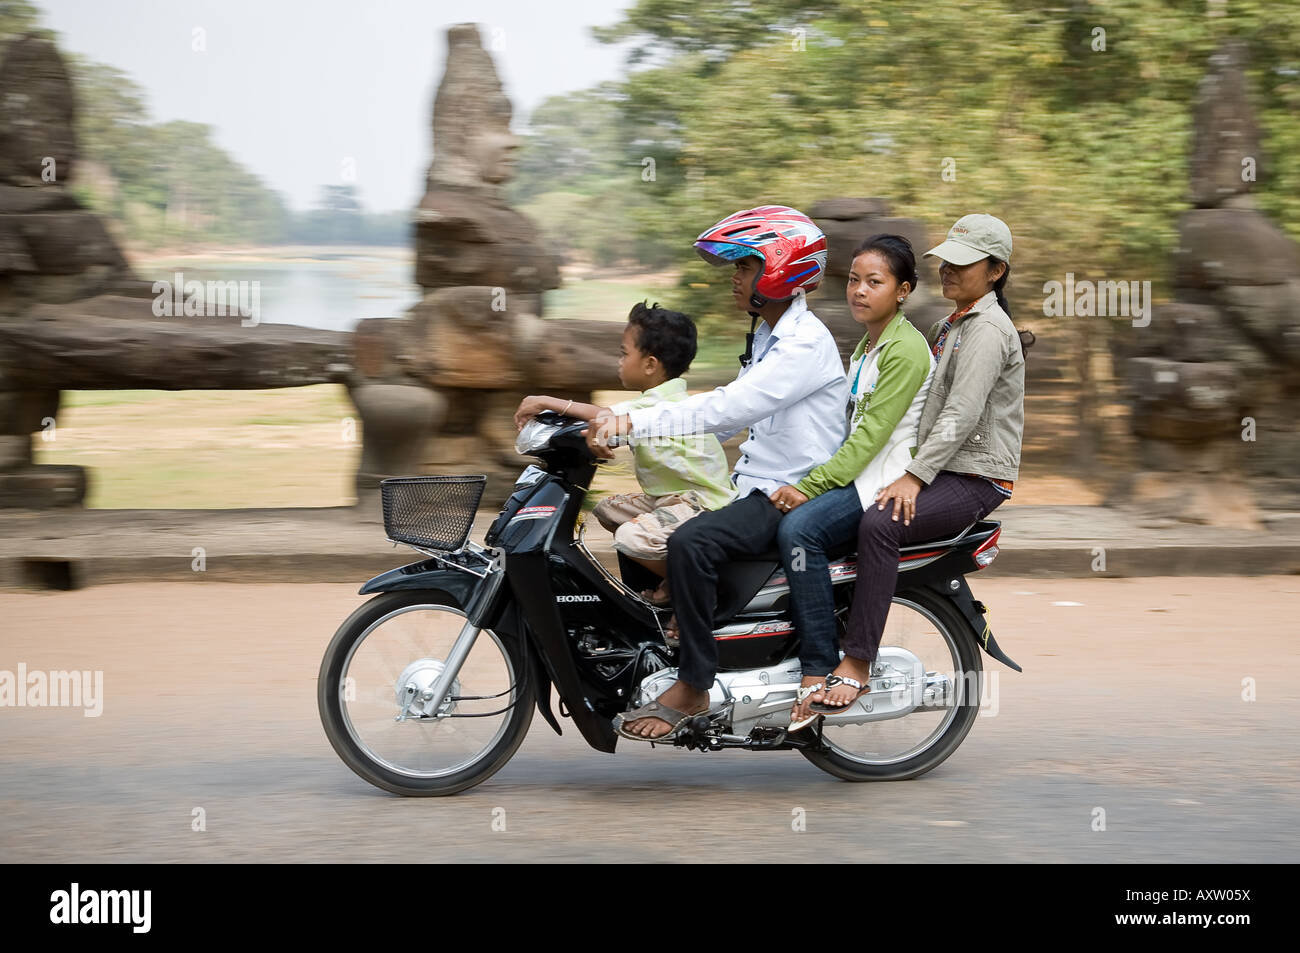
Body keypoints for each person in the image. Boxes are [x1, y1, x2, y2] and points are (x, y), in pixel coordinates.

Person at [586, 205, 848, 741]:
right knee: (624, 516)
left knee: (690, 543)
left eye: (746, 267)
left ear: (780, 270)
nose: (736, 278)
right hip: (752, 483)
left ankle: (695, 684)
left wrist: (632, 421)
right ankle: (674, 631)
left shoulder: (802, 344)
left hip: (785, 492)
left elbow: (728, 408)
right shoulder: (769, 336)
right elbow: (736, 418)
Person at [818, 213, 1025, 713]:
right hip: (943, 468)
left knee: (880, 526)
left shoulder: (987, 330)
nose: (948, 270)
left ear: (995, 270)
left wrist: (913, 477)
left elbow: (960, 413)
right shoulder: (950, 324)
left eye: (964, 263)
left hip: (975, 477)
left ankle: (859, 662)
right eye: (945, 261)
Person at [766, 235, 935, 728]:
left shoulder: (904, 349)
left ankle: (818, 665)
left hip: (880, 479)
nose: (859, 291)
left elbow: (872, 438)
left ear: (902, 290)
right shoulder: (868, 343)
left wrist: (811, 486)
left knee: (800, 531)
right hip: (860, 470)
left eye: (874, 282)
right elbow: (849, 427)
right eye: (854, 280)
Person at [514, 301, 735, 602]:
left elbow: (603, 415)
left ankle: (689, 584)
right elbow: (607, 416)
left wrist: (547, 401)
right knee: (607, 509)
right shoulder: (656, 400)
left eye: (623, 353)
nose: (618, 361)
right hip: (666, 498)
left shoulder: (663, 405)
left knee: (630, 537)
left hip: (701, 503)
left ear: (650, 365)